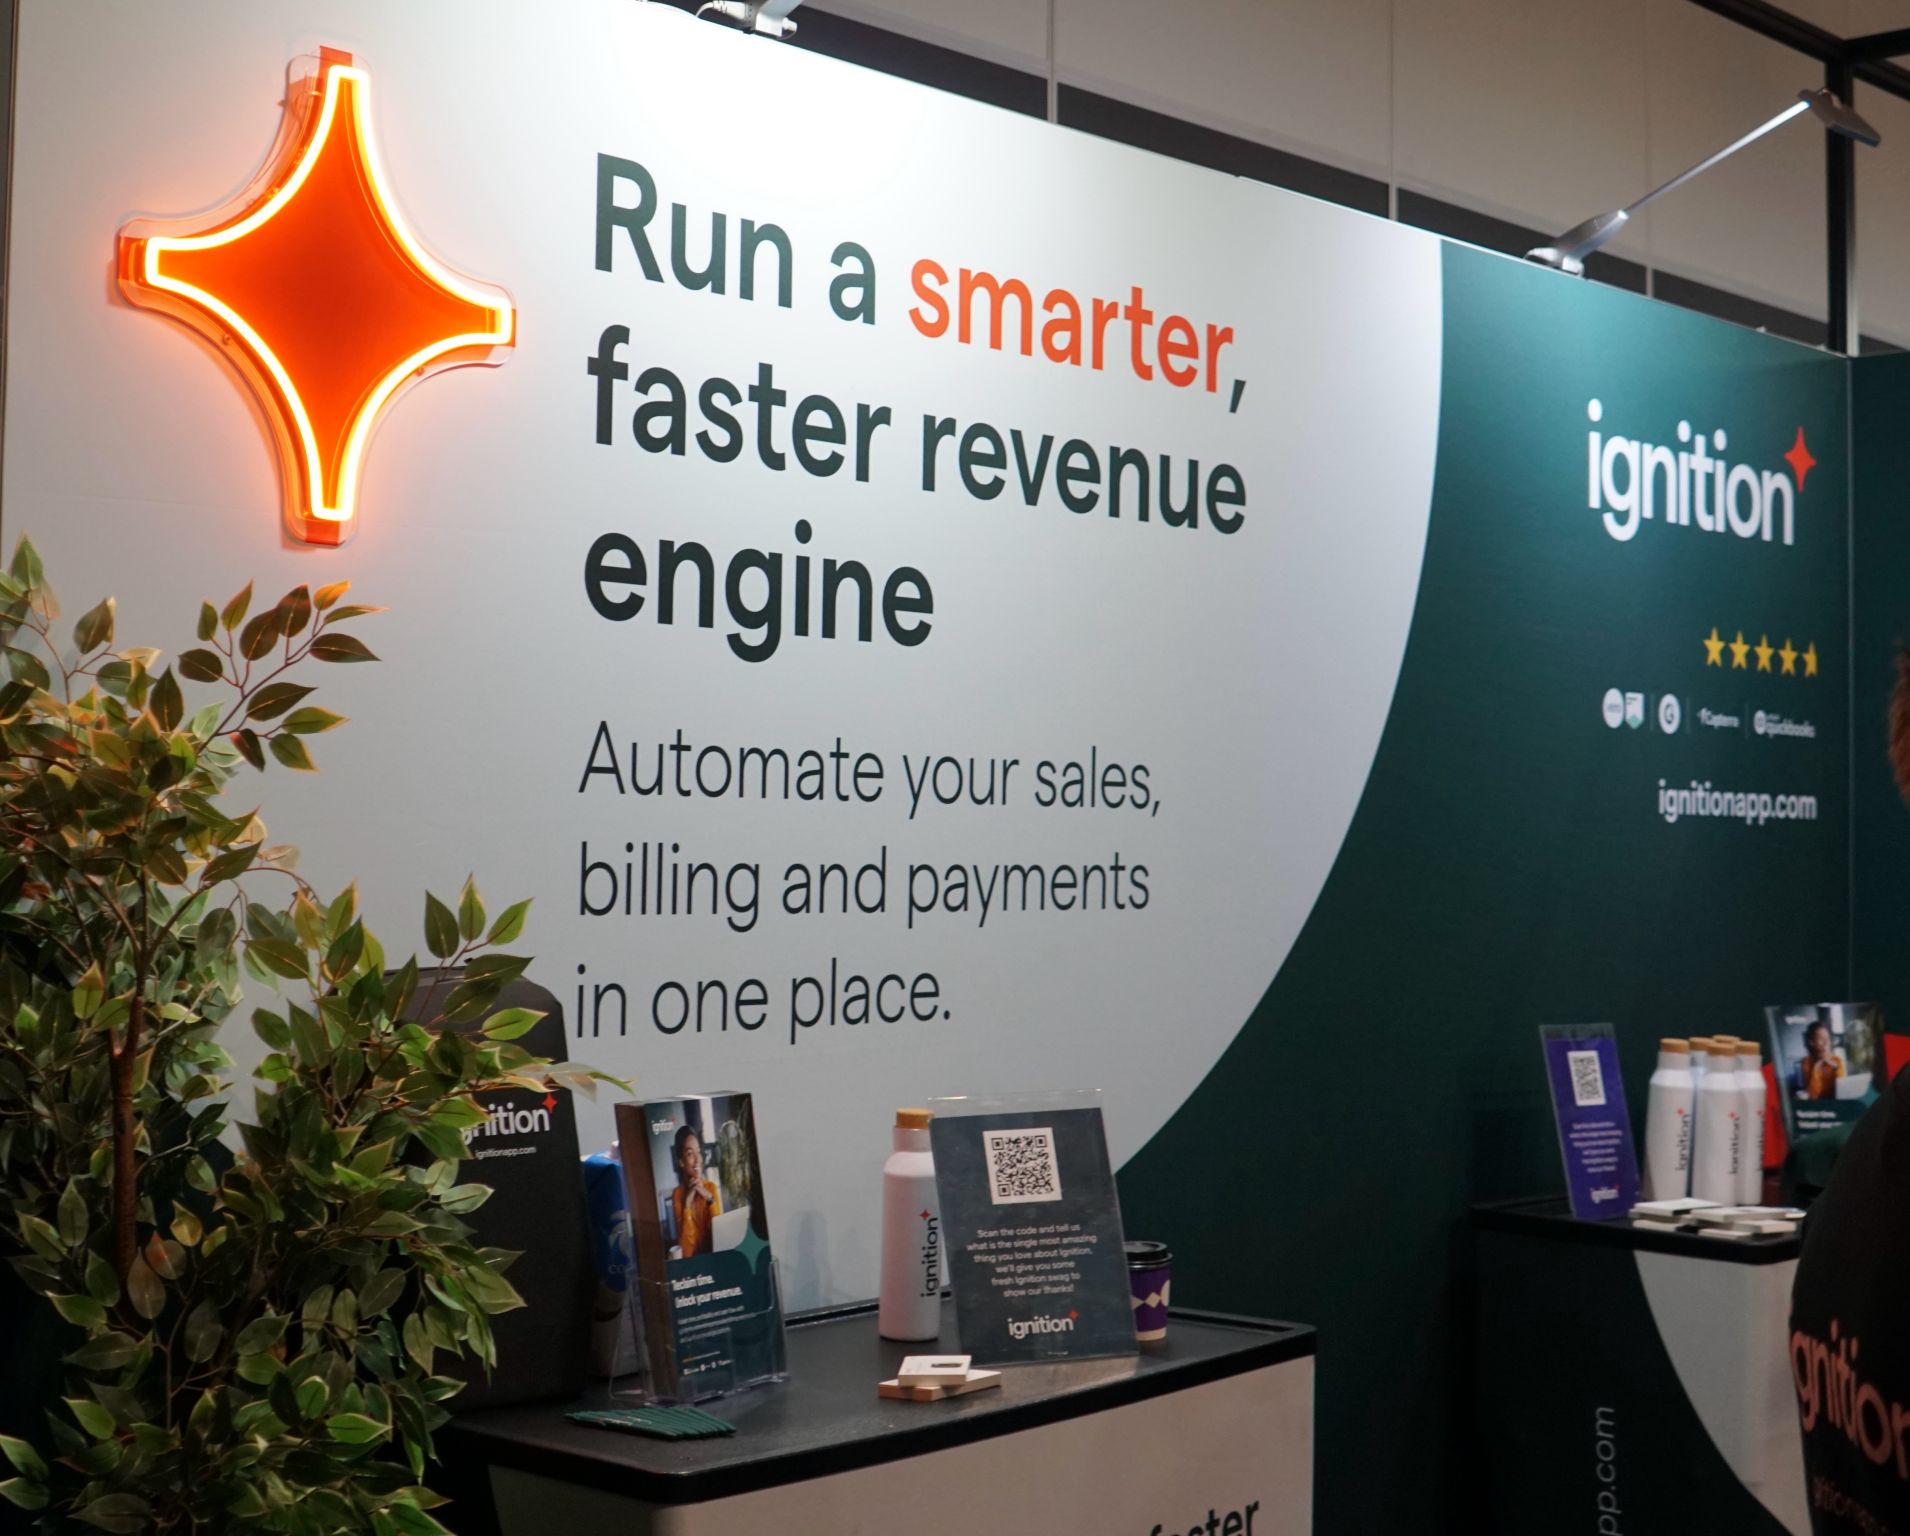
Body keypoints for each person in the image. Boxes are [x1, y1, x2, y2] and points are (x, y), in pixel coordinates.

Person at [669, 1124, 721, 1258]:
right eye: (690, 1154)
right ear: (681, 1162)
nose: (698, 1160)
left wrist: (710, 1199)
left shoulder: (711, 1188)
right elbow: (687, 1251)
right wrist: (687, 1205)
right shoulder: (677, 1195)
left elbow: (721, 1238)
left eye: (698, 1151)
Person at [1795, 1021, 1846, 1101]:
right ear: (1812, 1042)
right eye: (1821, 1039)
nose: (1826, 1042)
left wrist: (1836, 1068)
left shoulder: (1837, 1060)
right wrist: (1816, 1067)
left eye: (1827, 1038)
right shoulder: (1806, 1062)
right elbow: (1813, 1095)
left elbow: (1843, 1091)